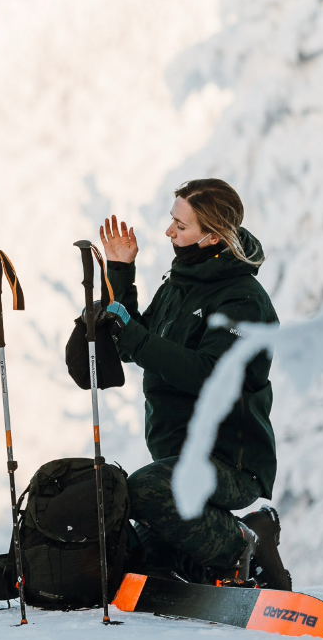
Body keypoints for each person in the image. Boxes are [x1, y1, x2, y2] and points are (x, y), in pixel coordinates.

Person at [98, 178, 292, 590]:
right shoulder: (180, 284)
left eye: (181, 226)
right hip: (180, 456)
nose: (169, 232)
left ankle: (248, 549)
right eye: (172, 221)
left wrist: (134, 335)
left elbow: (209, 373)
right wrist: (121, 270)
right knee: (137, 549)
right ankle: (208, 561)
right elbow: (137, 344)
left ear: (213, 236)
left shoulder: (243, 301)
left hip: (230, 464)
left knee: (146, 489)